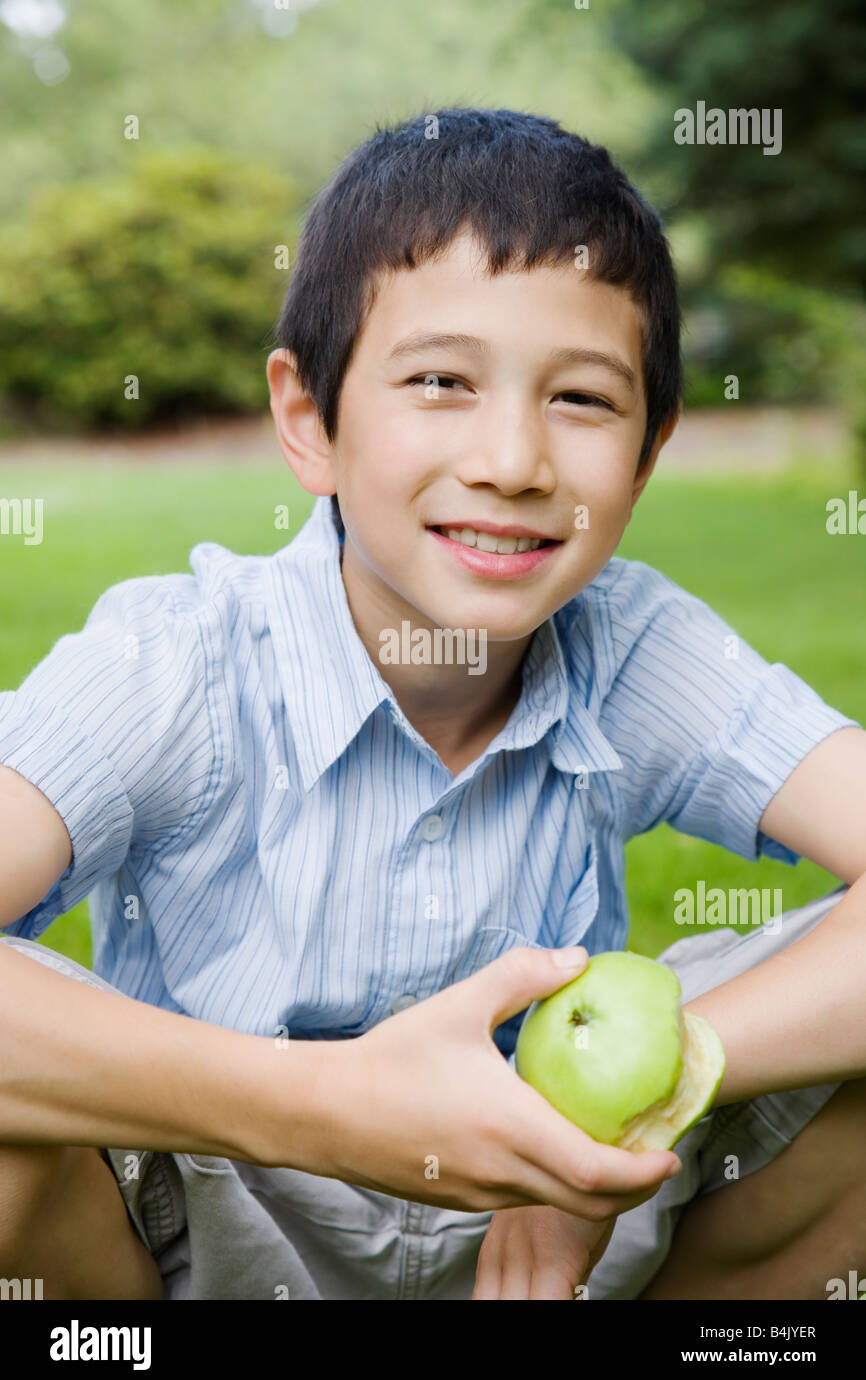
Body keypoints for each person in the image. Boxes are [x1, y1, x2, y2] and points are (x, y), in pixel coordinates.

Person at [1, 107, 864, 1302]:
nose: (512, 458)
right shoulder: (178, 665)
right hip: (217, 1239)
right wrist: (327, 1107)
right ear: (310, 419)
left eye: (581, 399)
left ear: (647, 453)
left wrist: (646, 1094)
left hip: (556, 1215)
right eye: (440, 380)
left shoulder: (629, 644)